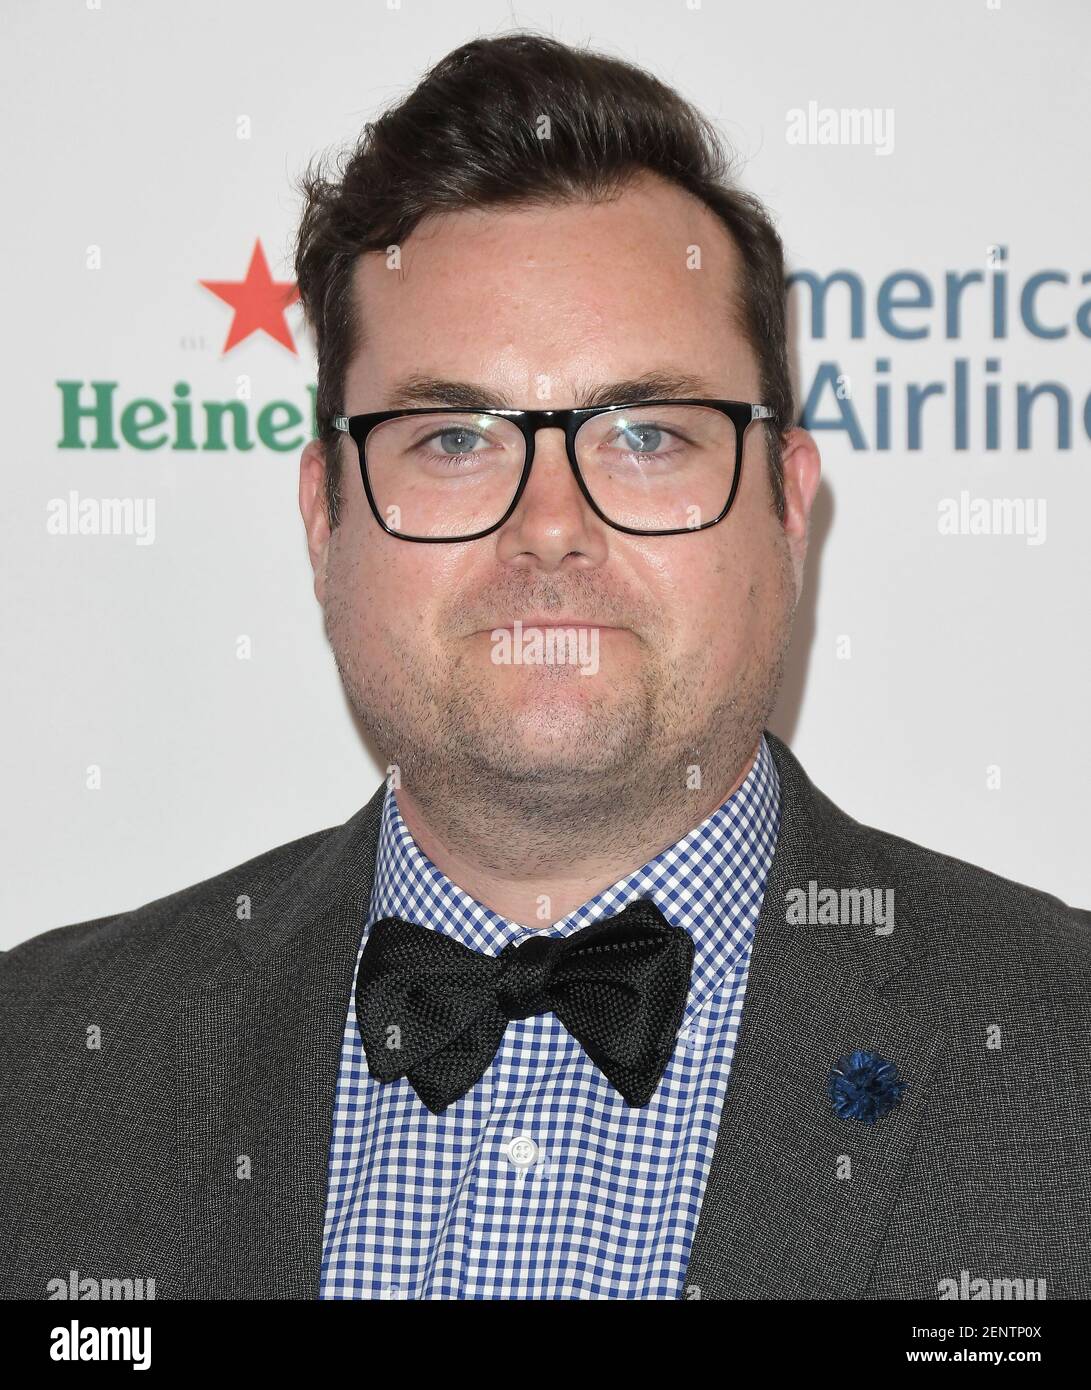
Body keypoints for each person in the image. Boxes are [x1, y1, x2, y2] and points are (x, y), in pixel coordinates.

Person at [2, 32, 1087, 1303]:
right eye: (452, 437)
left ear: (788, 512)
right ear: (323, 517)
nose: (549, 528)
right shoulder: (39, 1064)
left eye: (643, 434)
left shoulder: (1058, 1048)